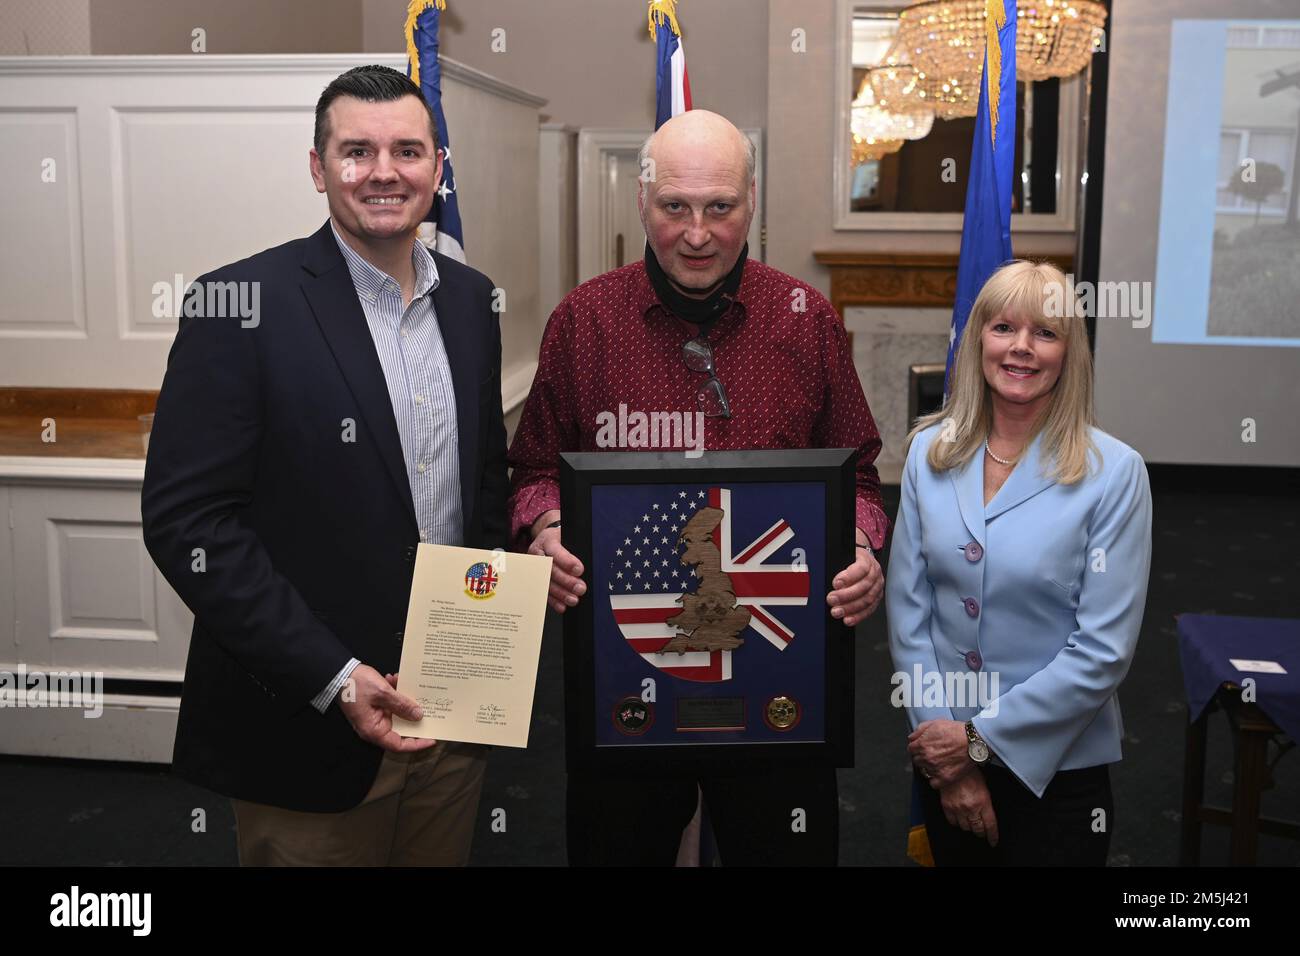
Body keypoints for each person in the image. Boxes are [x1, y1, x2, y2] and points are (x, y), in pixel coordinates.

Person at [141, 65, 508, 866]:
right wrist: (337, 677)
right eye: (356, 151)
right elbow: (188, 524)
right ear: (318, 168)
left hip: (451, 712)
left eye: (408, 150)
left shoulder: (474, 304)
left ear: (438, 168)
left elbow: (481, 487)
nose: (384, 172)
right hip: (307, 725)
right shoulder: (236, 307)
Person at [507, 109, 889, 866]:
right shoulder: (582, 322)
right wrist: (545, 528)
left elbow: (863, 477)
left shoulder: (804, 319)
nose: (697, 232)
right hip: (624, 674)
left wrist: (859, 545)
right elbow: (535, 470)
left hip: (781, 673)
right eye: (674, 207)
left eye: (721, 207)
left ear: (753, 201)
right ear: (641, 201)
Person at [887, 259, 1152, 866]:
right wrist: (947, 761)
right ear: (978, 337)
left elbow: (1103, 651)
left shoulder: (1114, 473)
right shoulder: (929, 452)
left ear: (1070, 352)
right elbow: (909, 618)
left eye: (1046, 333)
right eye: (1004, 328)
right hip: (943, 757)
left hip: (1059, 770)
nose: (1022, 349)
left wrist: (977, 743)